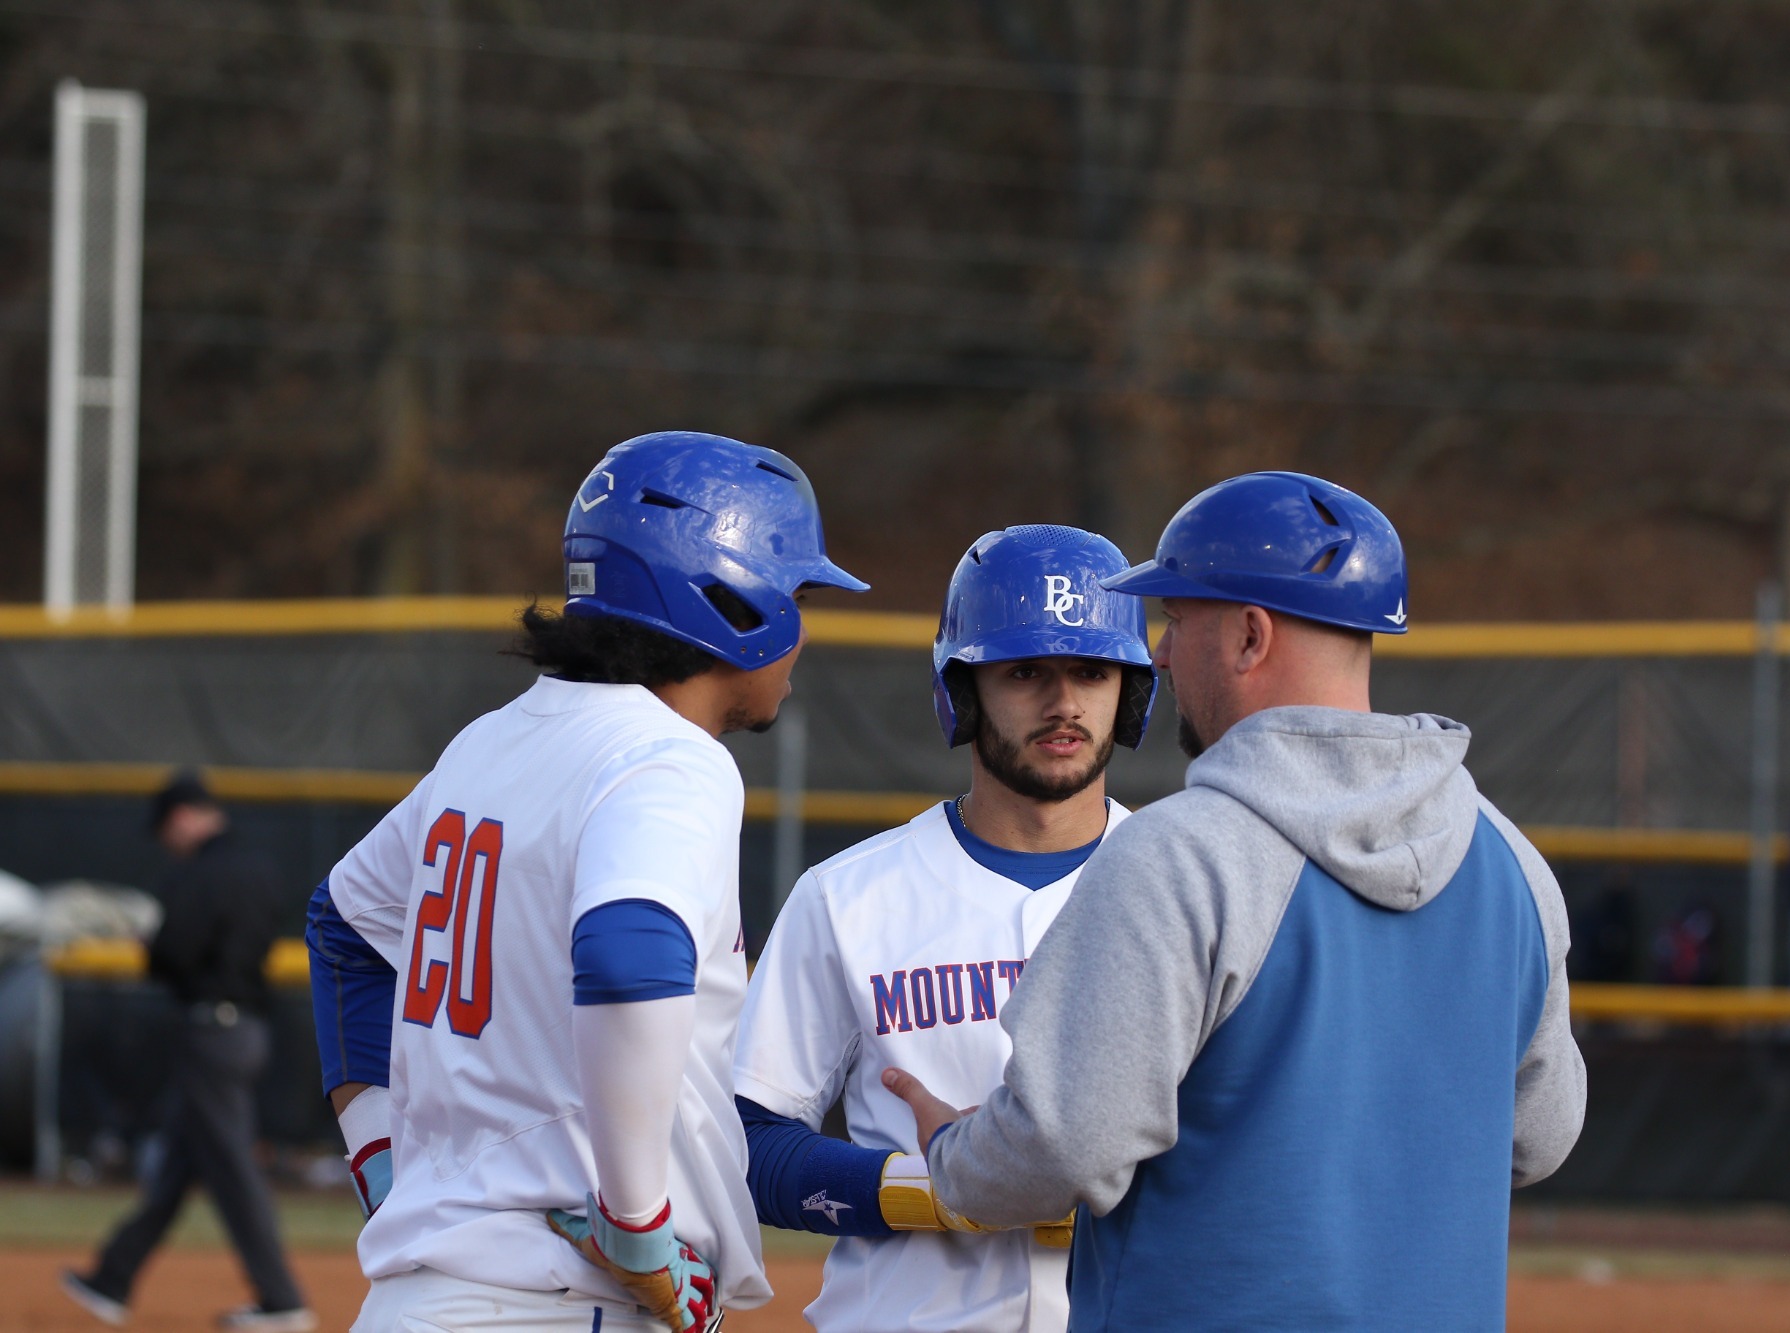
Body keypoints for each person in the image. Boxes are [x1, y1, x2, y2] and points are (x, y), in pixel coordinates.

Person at [882, 471, 1588, 1331]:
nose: (1163, 654)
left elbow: (1062, 1145)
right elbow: (1542, 1137)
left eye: (1178, 620)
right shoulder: (1512, 863)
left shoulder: (1179, 855)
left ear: (1250, 635)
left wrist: (953, 1153)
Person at [304, 432, 865, 1332]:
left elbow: (344, 922)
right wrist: (636, 1222)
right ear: (734, 600)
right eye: (795, 592)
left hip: (421, 1298)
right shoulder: (673, 760)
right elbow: (624, 952)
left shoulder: (491, 741)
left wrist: (378, 1149)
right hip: (562, 1301)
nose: (803, 626)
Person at [732, 525, 1155, 1333]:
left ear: (1129, 690)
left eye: (1091, 671)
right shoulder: (848, 895)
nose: (1064, 703)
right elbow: (747, 1142)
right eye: (1027, 670)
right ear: (963, 688)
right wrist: (923, 1186)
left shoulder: (1192, 892)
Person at [62, 772, 316, 1331]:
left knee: (232, 1170)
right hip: (247, 1029)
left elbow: (175, 954)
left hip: (211, 1033)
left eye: (164, 831)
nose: (165, 842)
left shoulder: (199, 872)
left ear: (180, 819)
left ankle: (282, 1300)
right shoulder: (260, 868)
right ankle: (113, 1276)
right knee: (178, 1162)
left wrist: (151, 949)